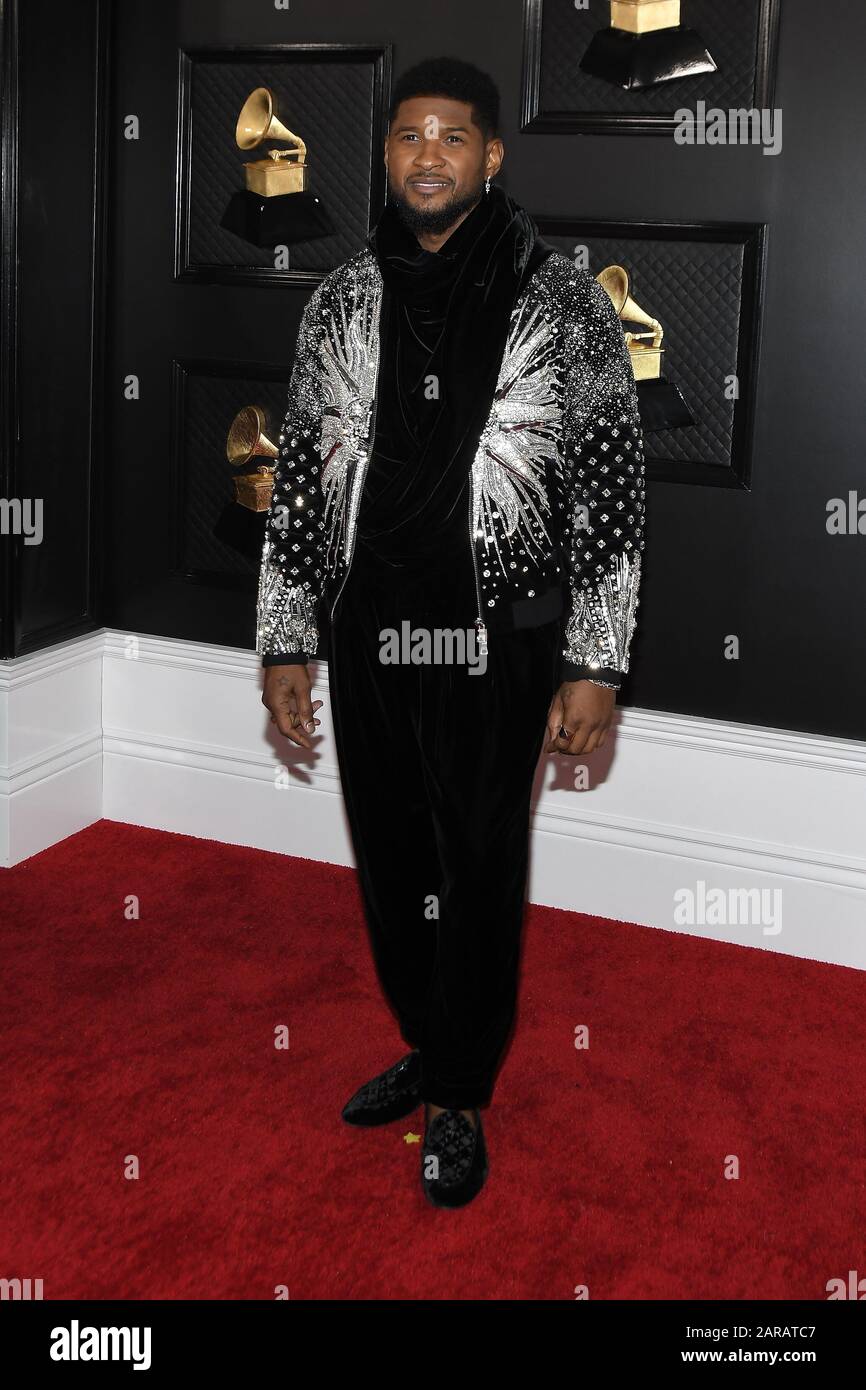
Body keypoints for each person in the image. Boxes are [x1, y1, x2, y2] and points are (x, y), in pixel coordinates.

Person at [256, 56, 646, 1208]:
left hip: (498, 635)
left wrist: (594, 661)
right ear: (387, 155)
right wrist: (286, 635)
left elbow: (614, 492)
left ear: (489, 156)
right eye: (408, 136)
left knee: (476, 864)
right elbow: (294, 485)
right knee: (390, 858)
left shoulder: (560, 296)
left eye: (451, 136)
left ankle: (461, 1092)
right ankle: (429, 1040)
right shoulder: (338, 297)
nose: (428, 154)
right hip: (366, 626)